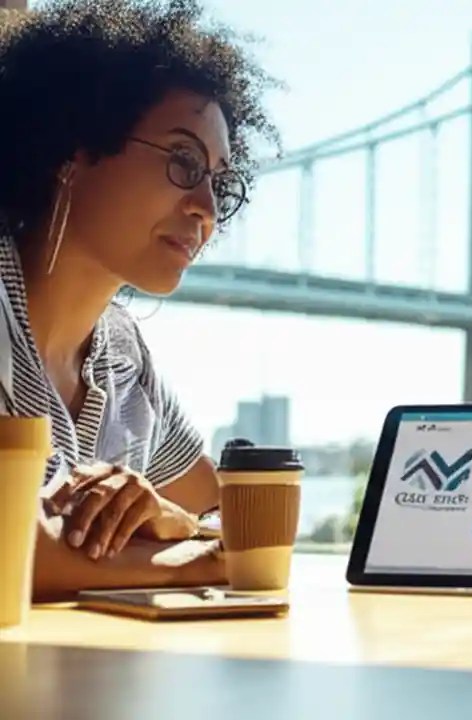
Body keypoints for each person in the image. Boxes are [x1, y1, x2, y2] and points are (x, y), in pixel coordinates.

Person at [0, 0, 277, 599]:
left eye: (219, 180)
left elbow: (238, 524)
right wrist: (199, 564)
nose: (207, 207)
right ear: (72, 149)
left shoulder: (120, 351)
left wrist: (170, 522)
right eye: (182, 161)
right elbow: (7, 547)